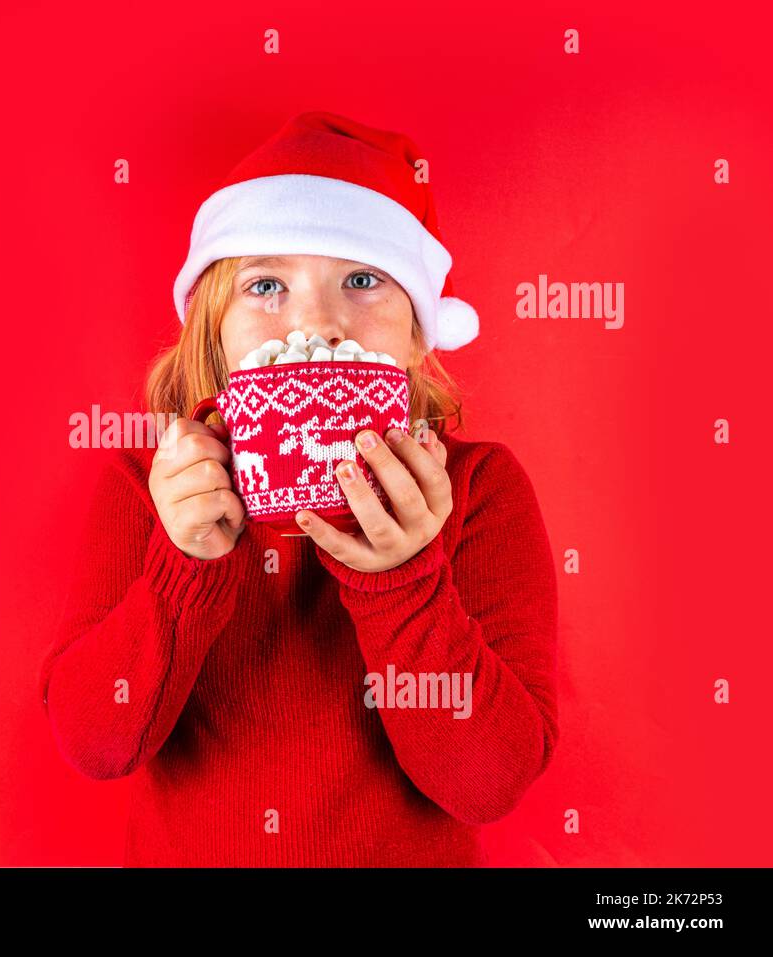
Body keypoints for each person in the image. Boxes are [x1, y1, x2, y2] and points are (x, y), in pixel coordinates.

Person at [38, 111, 559, 866]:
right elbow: (95, 743)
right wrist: (184, 565)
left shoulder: (480, 488)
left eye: (362, 278)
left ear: (419, 333)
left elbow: (489, 783)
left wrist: (406, 584)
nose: (316, 321)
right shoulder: (145, 491)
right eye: (265, 285)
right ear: (213, 336)